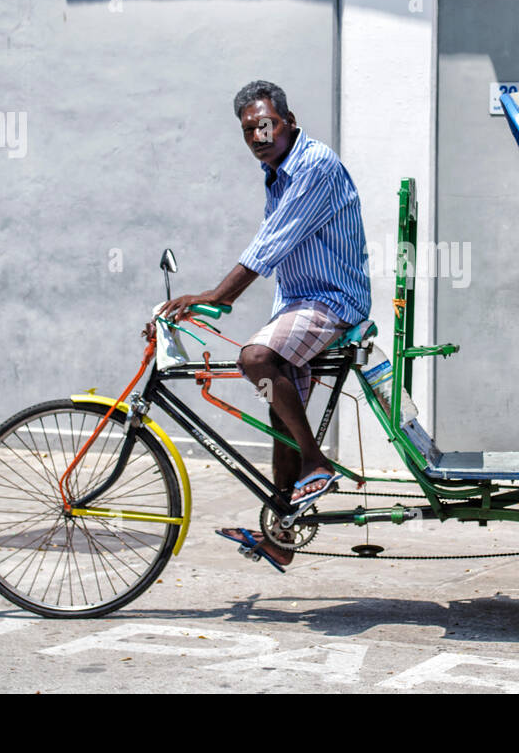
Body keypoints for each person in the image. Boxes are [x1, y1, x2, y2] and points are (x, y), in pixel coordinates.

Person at [157, 81, 370, 569]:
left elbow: (271, 243)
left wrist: (217, 296)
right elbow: (273, 241)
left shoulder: (314, 165)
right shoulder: (276, 171)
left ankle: (317, 463)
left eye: (266, 123)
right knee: (280, 415)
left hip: (332, 301)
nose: (258, 134)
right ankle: (281, 535)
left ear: (289, 120)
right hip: (299, 302)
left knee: (255, 358)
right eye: (249, 129)